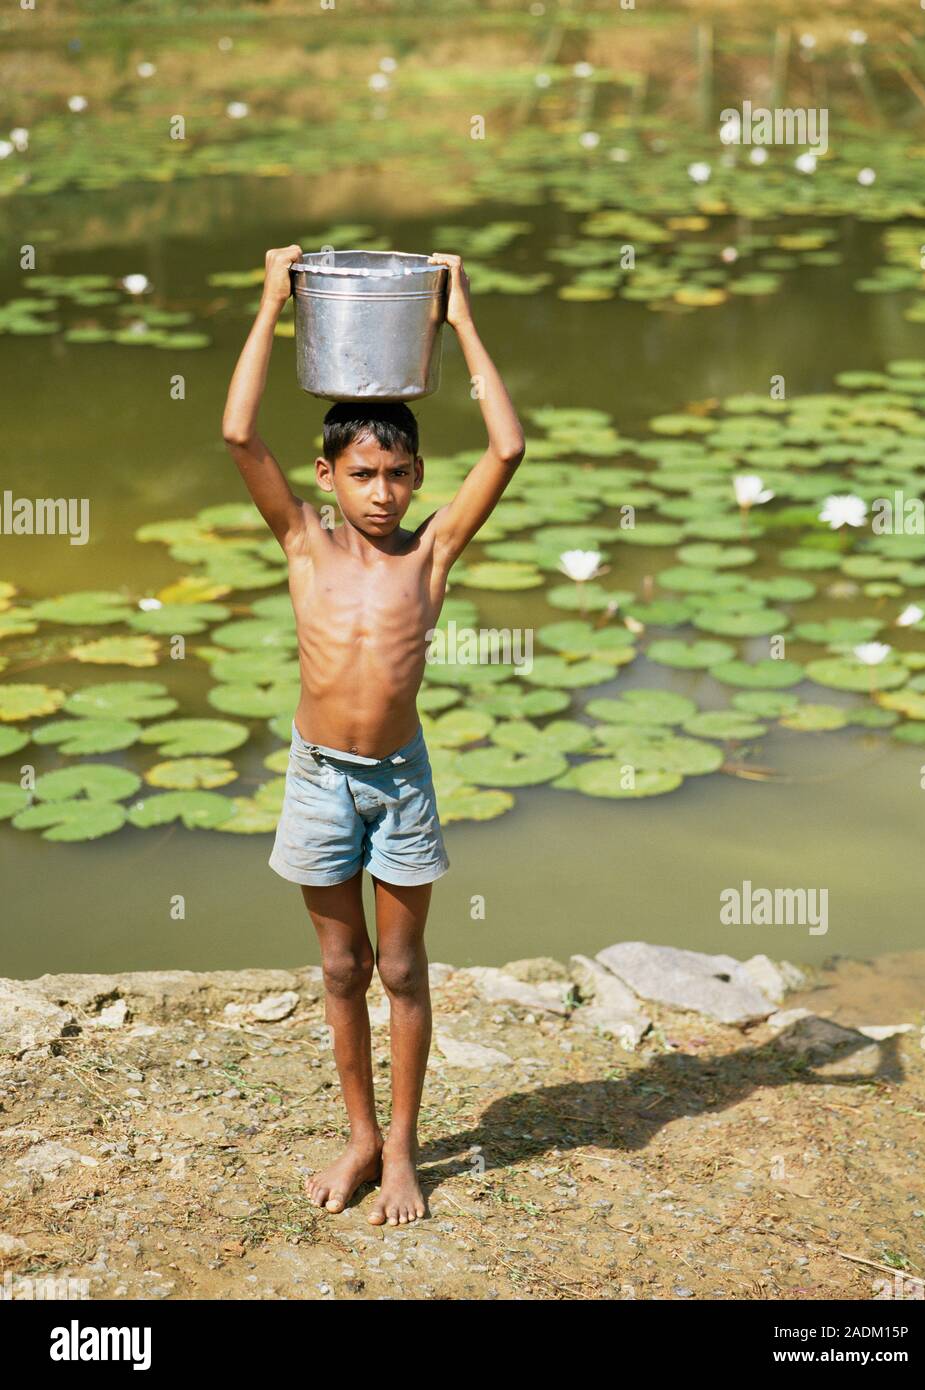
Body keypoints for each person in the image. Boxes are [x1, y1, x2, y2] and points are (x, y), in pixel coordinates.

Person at [221, 245, 525, 1225]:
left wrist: (457, 314)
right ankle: (357, 1135)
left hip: (398, 778)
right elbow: (236, 431)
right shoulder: (303, 544)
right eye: (363, 473)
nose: (383, 491)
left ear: (418, 475)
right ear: (327, 474)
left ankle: (401, 1150)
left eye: (399, 474)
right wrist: (273, 302)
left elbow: (509, 450)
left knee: (401, 967)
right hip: (318, 776)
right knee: (342, 967)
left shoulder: (431, 552)